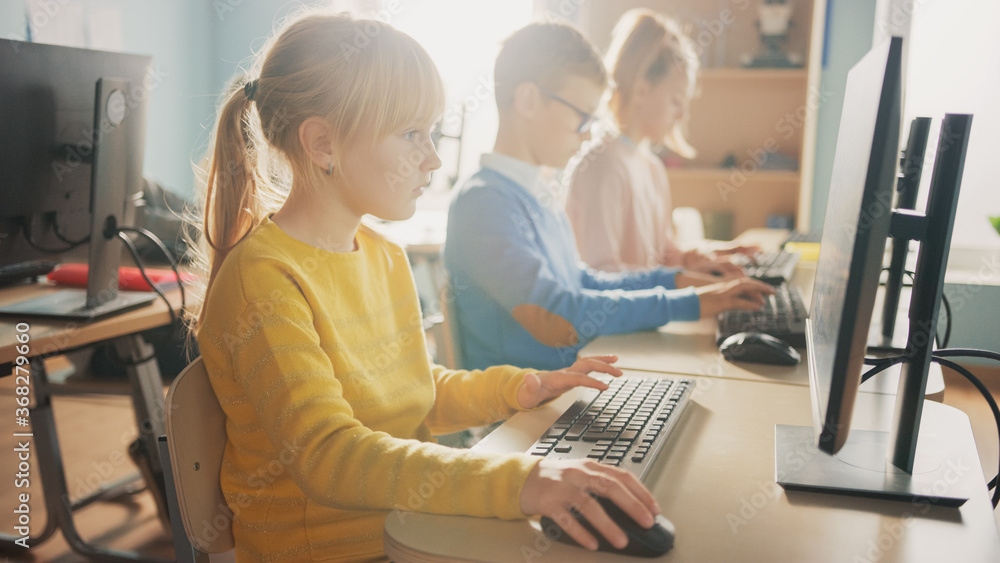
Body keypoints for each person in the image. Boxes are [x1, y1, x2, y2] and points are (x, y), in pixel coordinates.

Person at [188, 11, 669, 562]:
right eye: (412, 133)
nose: (435, 158)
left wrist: (521, 386)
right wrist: (521, 481)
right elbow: (328, 455)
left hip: (410, 531)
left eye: (433, 132)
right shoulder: (264, 280)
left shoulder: (383, 257)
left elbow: (414, 389)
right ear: (323, 143)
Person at [443, 22, 773, 373]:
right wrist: (685, 303)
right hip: (524, 410)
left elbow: (585, 280)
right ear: (528, 100)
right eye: (582, 117)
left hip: (569, 381)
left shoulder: (535, 194)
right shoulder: (483, 204)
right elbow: (558, 314)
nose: (587, 135)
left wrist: (681, 283)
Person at [565, 9, 757, 276]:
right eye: (676, 101)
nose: (682, 115)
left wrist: (714, 255)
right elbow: (602, 273)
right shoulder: (602, 166)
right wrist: (683, 284)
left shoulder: (651, 166)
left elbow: (665, 256)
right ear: (641, 90)